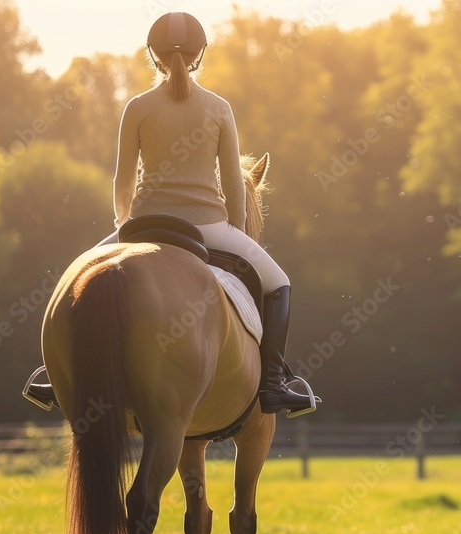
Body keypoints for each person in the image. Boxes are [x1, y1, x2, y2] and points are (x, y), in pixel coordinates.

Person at [26, 12, 315, 416]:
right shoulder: (218, 108)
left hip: (143, 226)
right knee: (279, 283)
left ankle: (53, 375)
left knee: (75, 277)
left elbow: (123, 182)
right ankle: (273, 385)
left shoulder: (138, 107)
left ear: (153, 55)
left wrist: (123, 225)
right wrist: (235, 229)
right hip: (209, 228)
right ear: (199, 55)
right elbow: (233, 182)